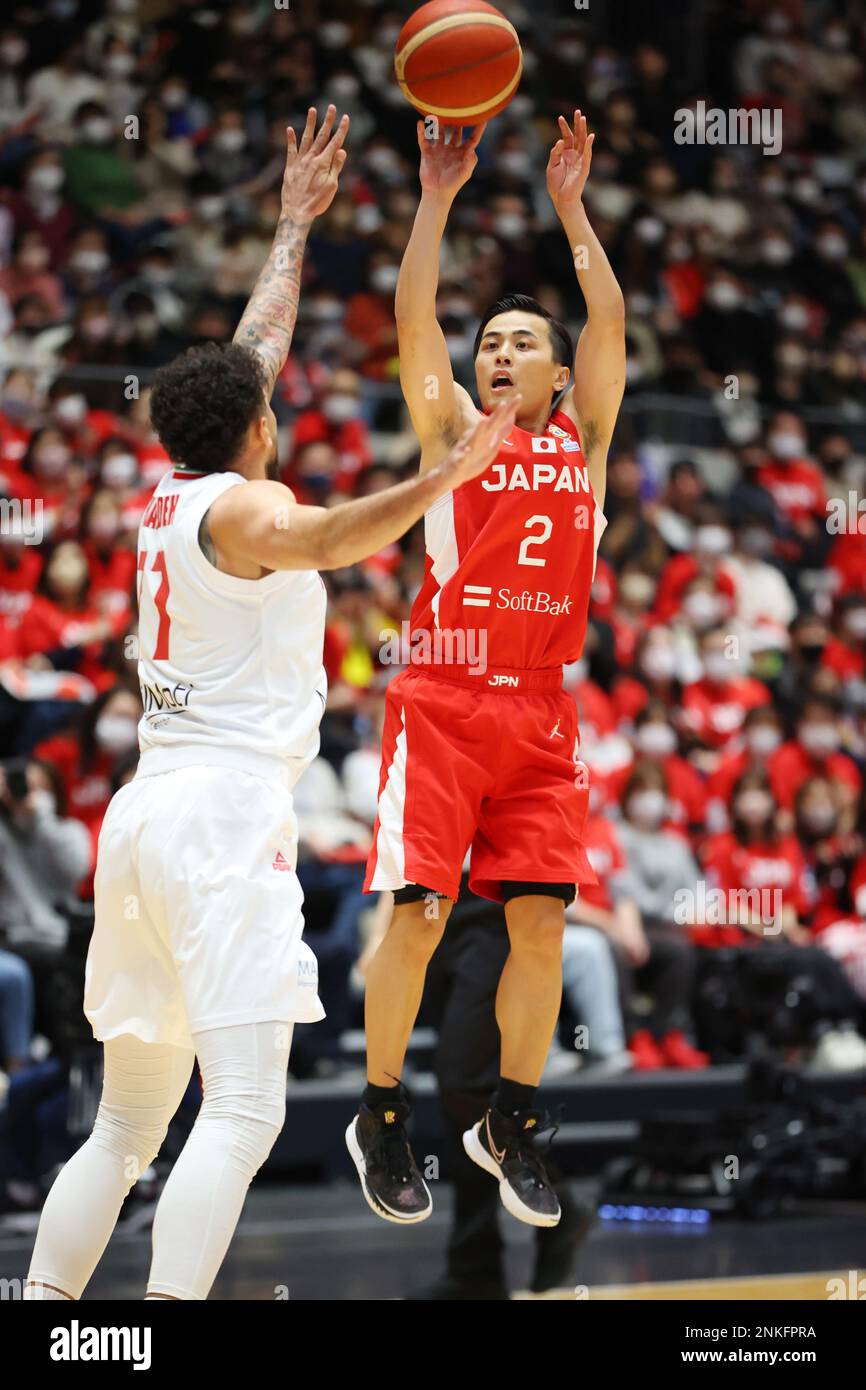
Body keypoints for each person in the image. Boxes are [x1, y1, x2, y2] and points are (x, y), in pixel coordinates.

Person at [22, 106, 518, 1304]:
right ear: (252, 428)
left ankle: (47, 1320)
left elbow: (255, 344)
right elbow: (333, 533)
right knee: (240, 1110)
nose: (275, 399)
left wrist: (294, 221)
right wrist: (442, 474)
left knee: (130, 1123)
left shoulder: (168, 492)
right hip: (218, 820)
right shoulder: (247, 510)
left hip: (143, 821)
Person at [349, 112, 626, 1228]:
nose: (498, 352)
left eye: (522, 342)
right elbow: (414, 314)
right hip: (444, 702)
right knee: (416, 916)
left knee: (542, 925)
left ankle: (508, 1116)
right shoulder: (451, 432)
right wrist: (434, 196)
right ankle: (378, 1112)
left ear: (559, 374)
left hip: (540, 718)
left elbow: (607, 314)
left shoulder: (583, 446)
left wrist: (569, 210)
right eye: (491, 342)